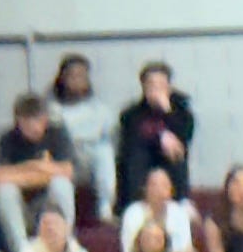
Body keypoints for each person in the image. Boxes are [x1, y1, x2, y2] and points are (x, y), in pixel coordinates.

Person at [0, 93, 78, 252]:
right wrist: (38, 167)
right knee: (5, 191)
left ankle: (66, 242)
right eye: (28, 123)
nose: (35, 128)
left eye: (39, 121)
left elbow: (67, 172)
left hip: (48, 204)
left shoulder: (57, 133)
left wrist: (20, 173)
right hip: (22, 206)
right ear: (19, 122)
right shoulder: (8, 138)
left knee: (61, 184)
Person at [114, 60, 195, 215]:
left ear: (169, 87)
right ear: (143, 87)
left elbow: (186, 137)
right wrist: (161, 136)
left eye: (161, 84)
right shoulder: (130, 114)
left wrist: (167, 111)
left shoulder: (182, 112)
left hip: (169, 162)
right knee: (136, 154)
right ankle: (134, 203)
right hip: (141, 163)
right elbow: (132, 139)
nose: (156, 89)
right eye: (151, 84)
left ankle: (182, 200)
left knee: (175, 149)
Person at [47, 55, 114, 209]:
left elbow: (107, 137)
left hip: (92, 161)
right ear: (63, 79)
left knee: (104, 151)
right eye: (73, 76)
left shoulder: (100, 109)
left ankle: (105, 208)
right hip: (66, 158)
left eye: (82, 76)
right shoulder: (53, 110)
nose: (77, 80)